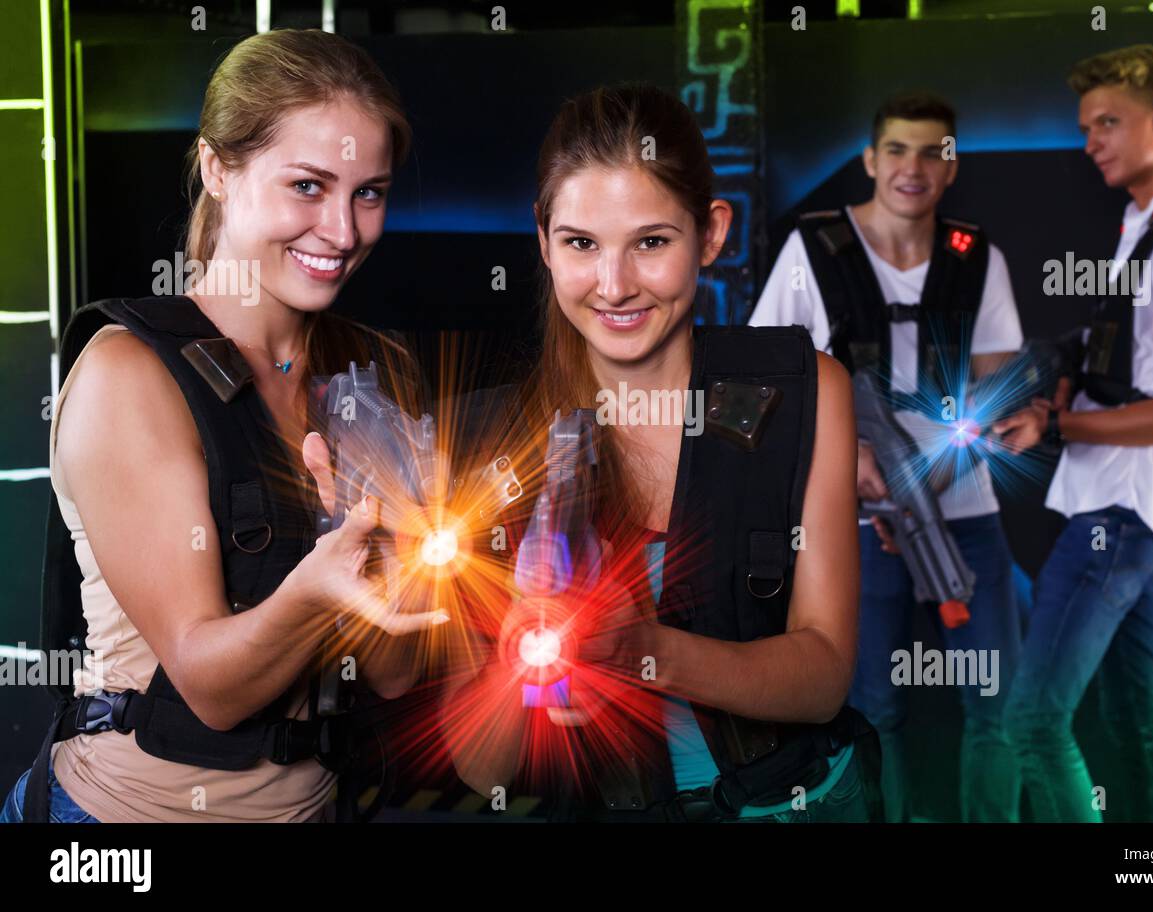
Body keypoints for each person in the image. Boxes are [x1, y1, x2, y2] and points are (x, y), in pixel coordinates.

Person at [0, 29, 430, 823]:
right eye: (307, 185)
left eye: (368, 192)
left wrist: (397, 560)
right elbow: (211, 687)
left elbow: (398, 670)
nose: (342, 230)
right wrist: (320, 589)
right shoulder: (131, 374)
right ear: (217, 169)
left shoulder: (370, 376)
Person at [444, 84, 880, 822]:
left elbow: (822, 674)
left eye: (651, 242)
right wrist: (521, 668)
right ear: (544, 240)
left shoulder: (806, 388)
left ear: (711, 234)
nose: (614, 287)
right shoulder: (488, 442)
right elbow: (478, 764)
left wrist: (636, 648)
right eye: (581, 243)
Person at [749, 91, 1025, 822]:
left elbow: (1001, 381)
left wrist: (939, 469)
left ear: (952, 165)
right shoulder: (814, 247)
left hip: (964, 515)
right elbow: (764, 377)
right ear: (871, 160)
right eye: (898, 150)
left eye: (934, 151)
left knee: (1000, 707)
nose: (915, 167)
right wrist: (853, 459)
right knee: (873, 708)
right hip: (857, 523)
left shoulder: (976, 255)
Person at [995, 44, 1153, 822]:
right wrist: (1063, 385)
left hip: (1123, 512)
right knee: (1138, 717)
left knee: (1033, 722)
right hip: (1119, 506)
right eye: (1085, 127)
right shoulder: (1146, 225)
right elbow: (1128, 360)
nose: (1091, 142)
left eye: (1109, 123)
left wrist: (1060, 423)